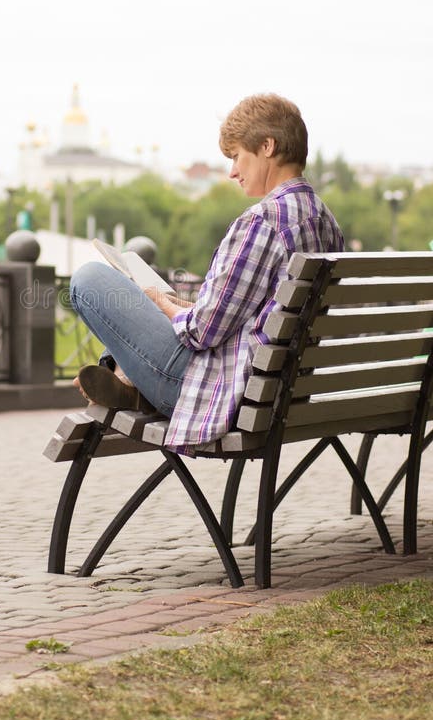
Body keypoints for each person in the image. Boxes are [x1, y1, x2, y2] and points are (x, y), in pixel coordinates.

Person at [70, 93, 345, 452]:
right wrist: (175, 304)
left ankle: (130, 380)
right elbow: (244, 317)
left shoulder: (263, 222)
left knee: (90, 279)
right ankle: (130, 385)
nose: (232, 171)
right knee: (156, 305)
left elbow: (204, 331)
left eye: (236, 157)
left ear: (267, 146)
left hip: (222, 394)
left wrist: (157, 302)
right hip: (285, 389)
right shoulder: (327, 223)